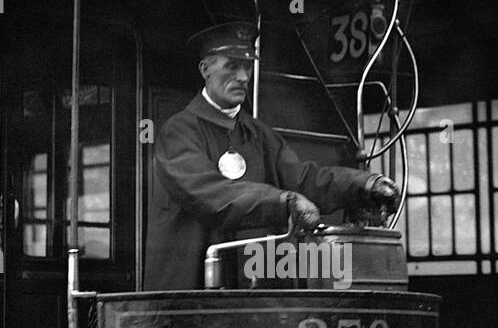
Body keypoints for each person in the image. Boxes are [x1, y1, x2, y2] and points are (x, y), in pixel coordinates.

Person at [143, 21, 400, 290]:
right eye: (232, 65)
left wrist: (363, 184)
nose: (243, 76)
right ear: (205, 69)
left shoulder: (259, 134)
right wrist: (282, 201)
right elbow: (210, 195)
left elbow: (303, 179)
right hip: (186, 295)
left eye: (248, 65)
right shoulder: (178, 132)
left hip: (245, 291)